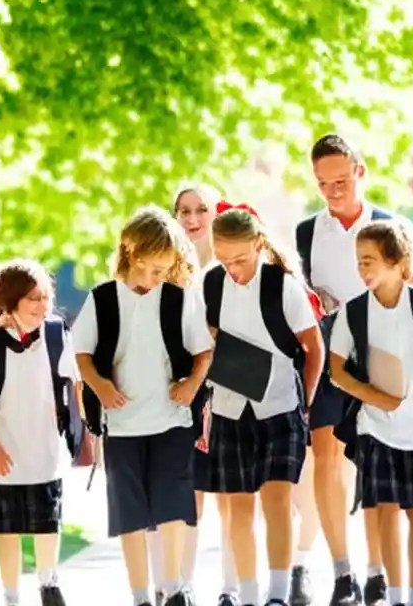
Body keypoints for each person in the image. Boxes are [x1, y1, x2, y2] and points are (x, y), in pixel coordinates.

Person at [294, 134, 413, 606]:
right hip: (332, 352)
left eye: (339, 180)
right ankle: (341, 571)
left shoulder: (391, 226)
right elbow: (302, 296)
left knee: (372, 462)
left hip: (382, 356)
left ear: (360, 172)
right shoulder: (306, 233)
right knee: (327, 462)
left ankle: (377, 570)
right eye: (322, 183)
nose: (332, 191)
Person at [72, 207, 215, 606]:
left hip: (171, 422)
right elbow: (81, 353)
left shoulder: (178, 299)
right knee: (130, 517)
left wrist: (190, 385)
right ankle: (140, 596)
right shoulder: (101, 299)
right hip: (121, 427)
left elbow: (203, 352)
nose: (155, 280)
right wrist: (100, 387)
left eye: (163, 271)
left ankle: (171, 589)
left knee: (172, 509)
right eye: (151, 269)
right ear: (131, 254)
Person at [199, 203, 325, 606]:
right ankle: (249, 595)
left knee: (277, 501)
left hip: (280, 407)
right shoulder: (210, 285)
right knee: (238, 509)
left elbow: (313, 347)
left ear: (257, 244)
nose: (232, 268)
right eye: (224, 259)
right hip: (229, 409)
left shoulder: (282, 286)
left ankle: (277, 594)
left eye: (239, 258)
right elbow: (200, 347)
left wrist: (304, 403)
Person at [329, 221, 413, 606]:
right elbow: (336, 371)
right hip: (374, 426)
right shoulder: (354, 312)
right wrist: (373, 397)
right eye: (359, 263)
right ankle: (396, 596)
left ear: (398, 262)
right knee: (384, 509)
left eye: (370, 262)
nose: (363, 270)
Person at [0, 260, 78, 606]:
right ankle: (11, 596)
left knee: (47, 523)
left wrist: (88, 431)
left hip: (46, 451)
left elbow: (79, 382)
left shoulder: (57, 336)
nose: (43, 306)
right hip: (5, 453)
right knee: (7, 529)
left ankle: (48, 584)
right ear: (10, 302)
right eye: (33, 299)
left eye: (46, 297)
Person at [172, 184, 243, 606]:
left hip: (231, 391)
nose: (193, 218)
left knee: (232, 497)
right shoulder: (167, 271)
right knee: (187, 495)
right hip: (184, 393)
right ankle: (182, 585)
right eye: (185, 210)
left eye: (202, 210)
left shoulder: (231, 271)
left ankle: (232, 588)